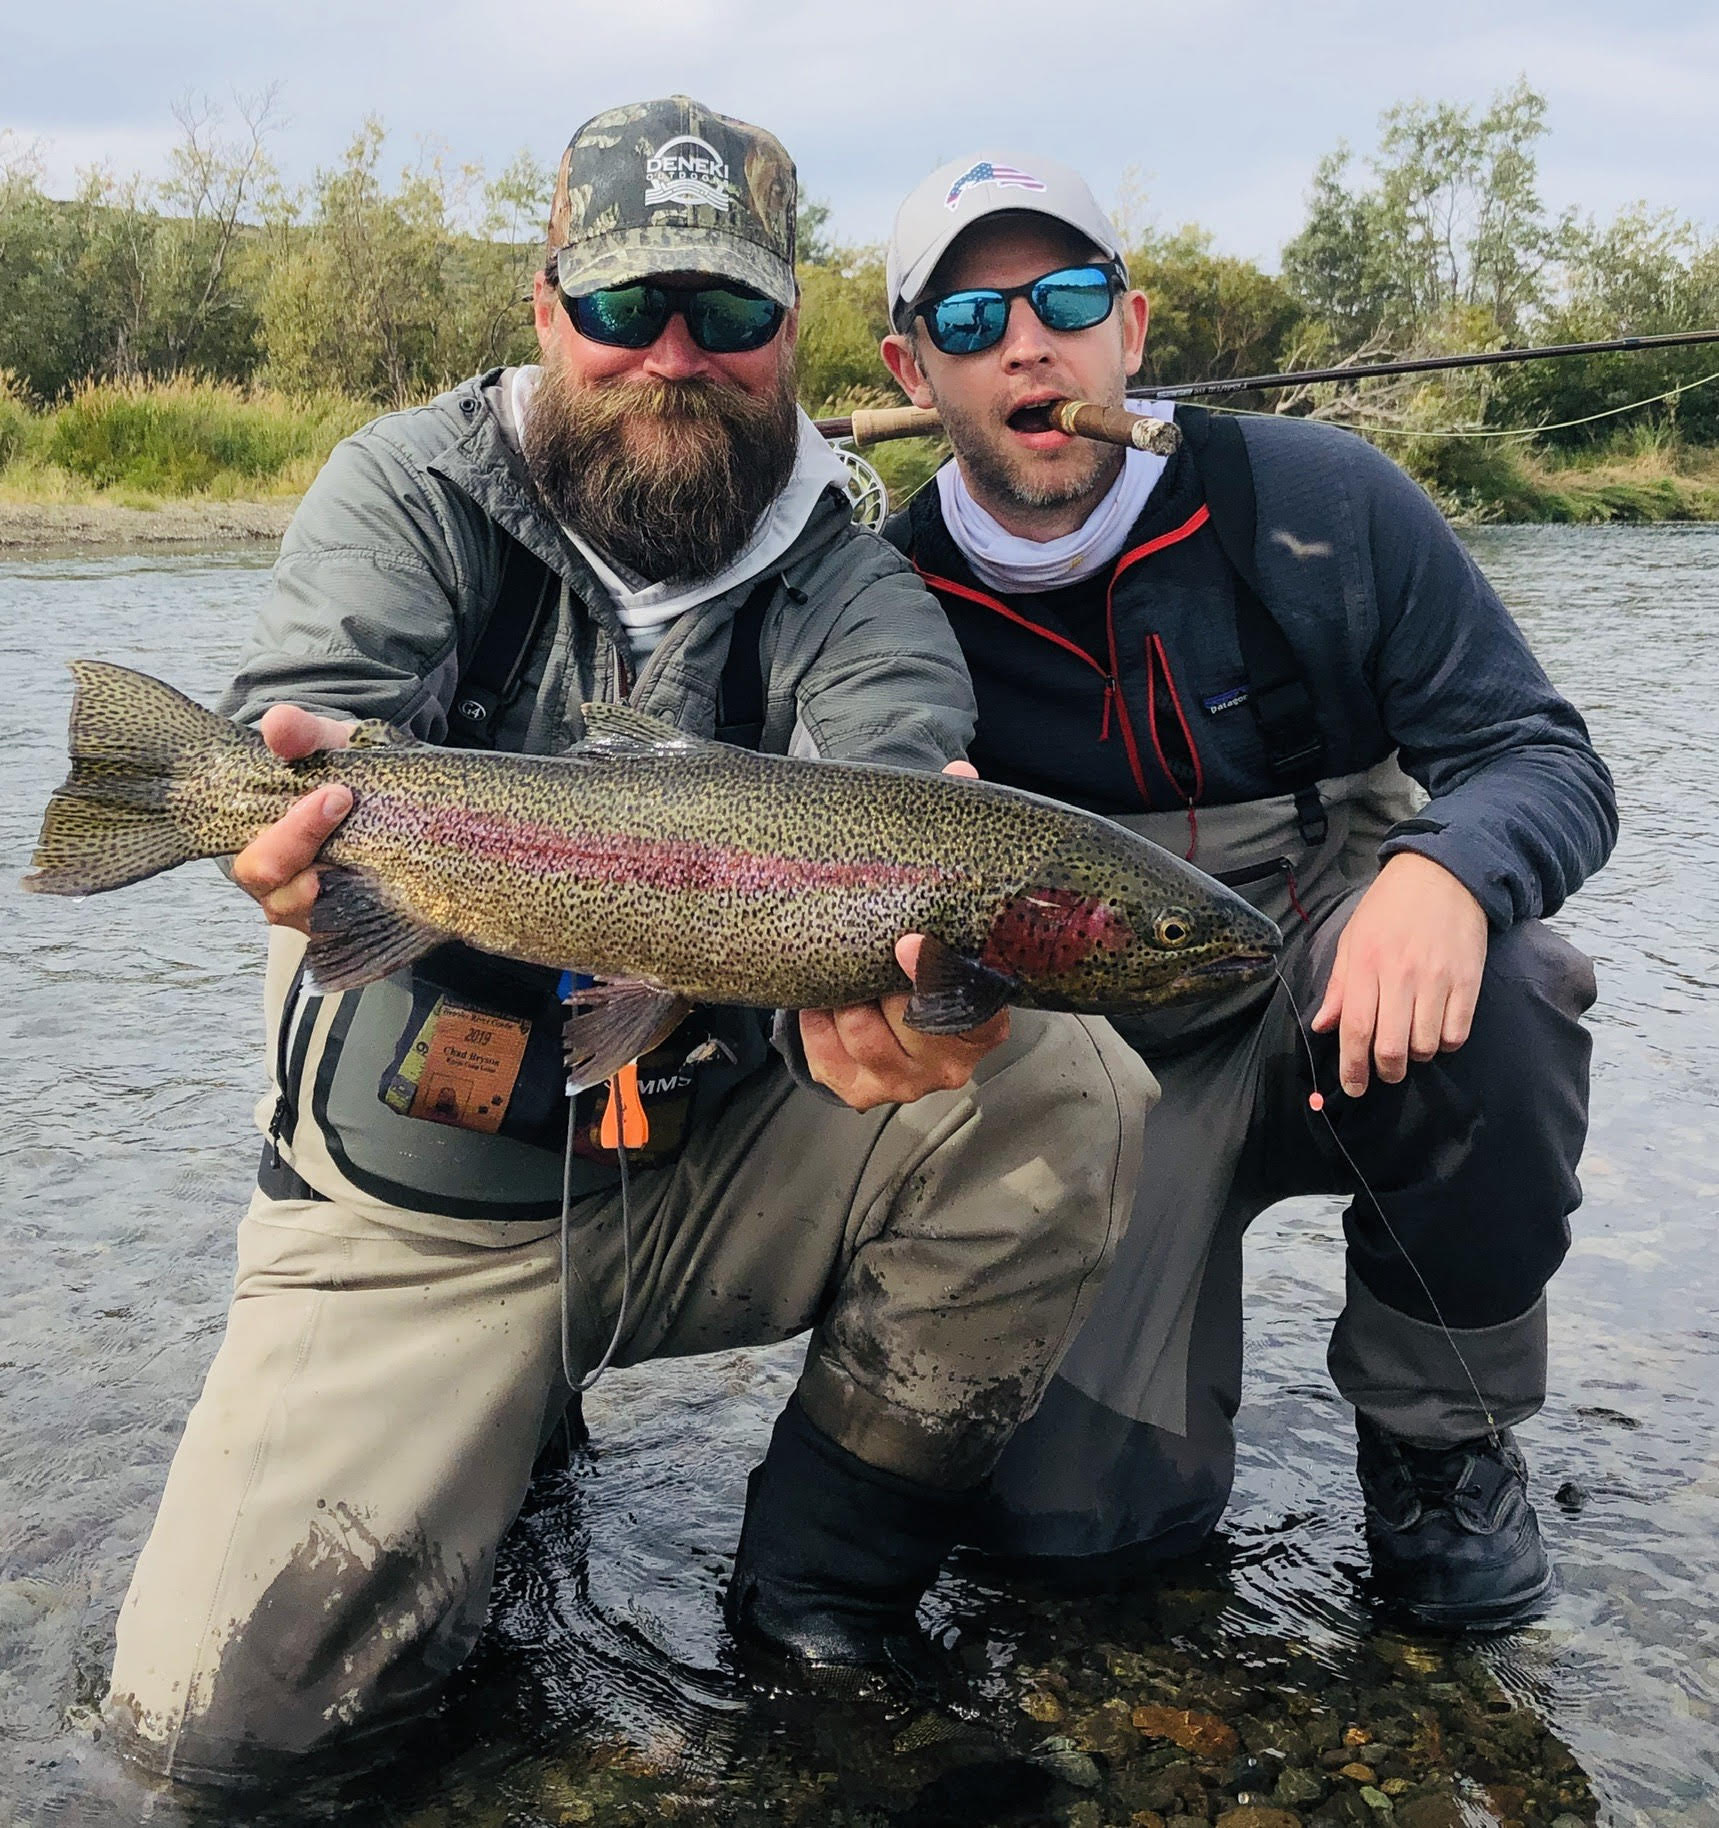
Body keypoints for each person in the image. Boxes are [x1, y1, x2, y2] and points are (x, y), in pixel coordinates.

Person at [103, 100, 1157, 1784]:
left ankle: (821, 1606)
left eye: (729, 317)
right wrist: (280, 828)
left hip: (716, 1162)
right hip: (418, 1206)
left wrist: (909, 999)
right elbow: (319, 719)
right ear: (546, 311)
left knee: (1062, 1078)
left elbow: (898, 783)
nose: (674, 355)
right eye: (625, 309)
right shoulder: (408, 488)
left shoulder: (857, 578)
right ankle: (493, 1440)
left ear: (790, 337)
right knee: (217, 1756)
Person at [878, 153, 1616, 1627]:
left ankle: (1439, 1448)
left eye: (1069, 299)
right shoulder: (882, 601)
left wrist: (1449, 871)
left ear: (1130, 330)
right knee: (1079, 1546)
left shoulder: (1322, 502)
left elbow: (1545, 757)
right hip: (1080, 1054)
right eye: (972, 321)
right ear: (914, 372)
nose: (1030, 344)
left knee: (1520, 989)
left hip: (1322, 965)